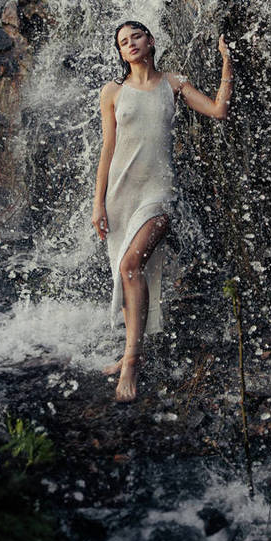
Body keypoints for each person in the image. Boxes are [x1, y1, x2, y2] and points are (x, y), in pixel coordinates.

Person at [91, 20, 234, 402]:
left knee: (130, 266)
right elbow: (107, 151)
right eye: (123, 41)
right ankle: (128, 350)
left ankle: (132, 361)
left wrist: (226, 63)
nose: (131, 43)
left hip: (158, 193)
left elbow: (219, 111)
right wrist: (97, 202)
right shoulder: (112, 93)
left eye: (136, 36)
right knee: (124, 272)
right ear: (120, 53)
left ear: (151, 41)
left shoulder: (173, 84)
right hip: (121, 194)